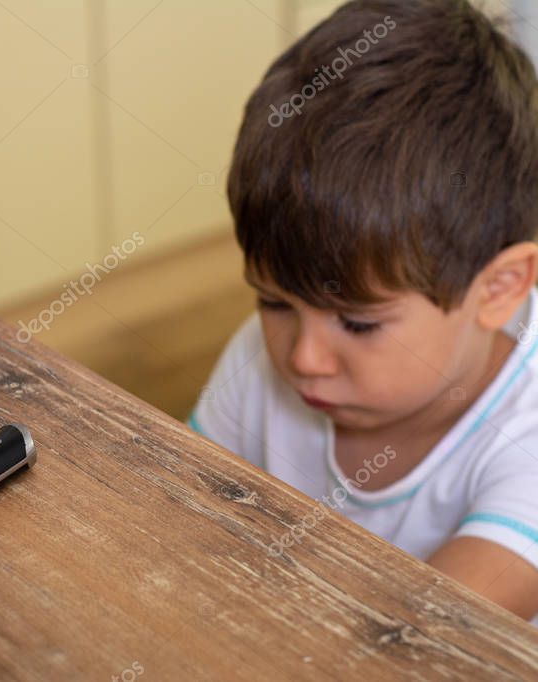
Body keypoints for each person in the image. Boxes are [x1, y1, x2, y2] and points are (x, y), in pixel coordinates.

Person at [190, 0, 538, 621]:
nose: (302, 357)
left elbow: (418, 636)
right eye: (273, 301)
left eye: (357, 323)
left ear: (498, 289)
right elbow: (173, 512)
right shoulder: (260, 355)